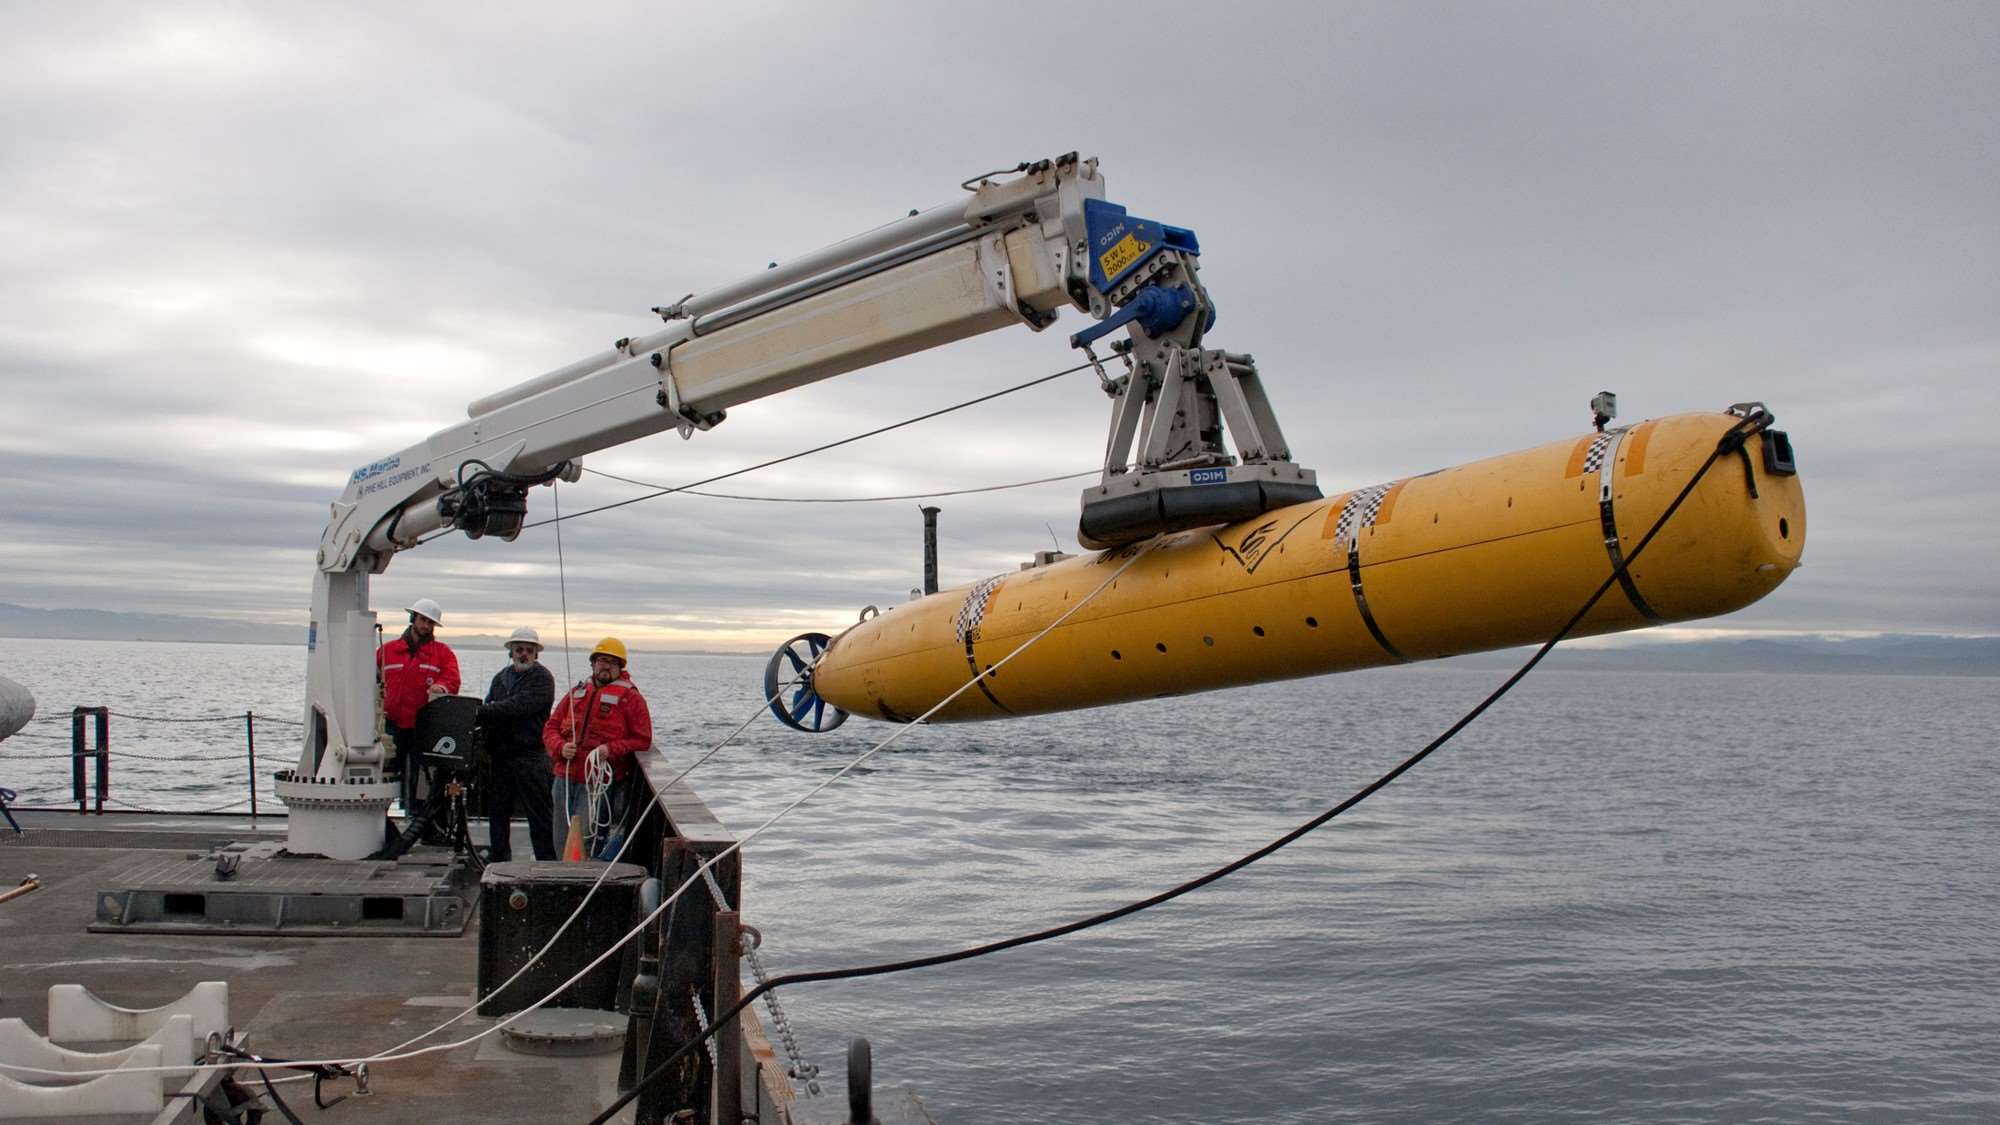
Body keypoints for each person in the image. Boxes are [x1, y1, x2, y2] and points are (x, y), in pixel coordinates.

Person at [542, 636, 653, 858]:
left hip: (596, 783)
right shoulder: (576, 693)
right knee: (559, 837)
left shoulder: (631, 698)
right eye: (601, 660)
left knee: (586, 839)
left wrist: (609, 750)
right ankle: (559, 877)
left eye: (612, 662)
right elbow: (550, 727)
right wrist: (560, 747)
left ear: (620, 667)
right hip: (564, 777)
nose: (605, 666)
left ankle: (582, 880)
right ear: (593, 663)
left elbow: (643, 739)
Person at [478, 627, 557, 862]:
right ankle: (499, 858)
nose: (524, 654)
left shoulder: (543, 679)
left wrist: (480, 711)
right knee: (498, 812)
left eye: (529, 650)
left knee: (539, 814)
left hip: (531, 756)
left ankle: (546, 861)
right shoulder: (500, 678)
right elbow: (491, 706)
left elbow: (517, 706)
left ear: (536, 654)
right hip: (502, 756)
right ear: (511, 652)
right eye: (519, 649)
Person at [377, 597, 460, 818]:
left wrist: (442, 687)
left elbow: (452, 679)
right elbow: (368, 679)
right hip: (391, 727)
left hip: (422, 728)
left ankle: (418, 820)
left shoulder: (442, 653)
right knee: (385, 774)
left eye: (430, 623)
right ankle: (379, 817)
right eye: (423, 620)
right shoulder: (388, 651)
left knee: (422, 778)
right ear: (413, 619)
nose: (426, 626)